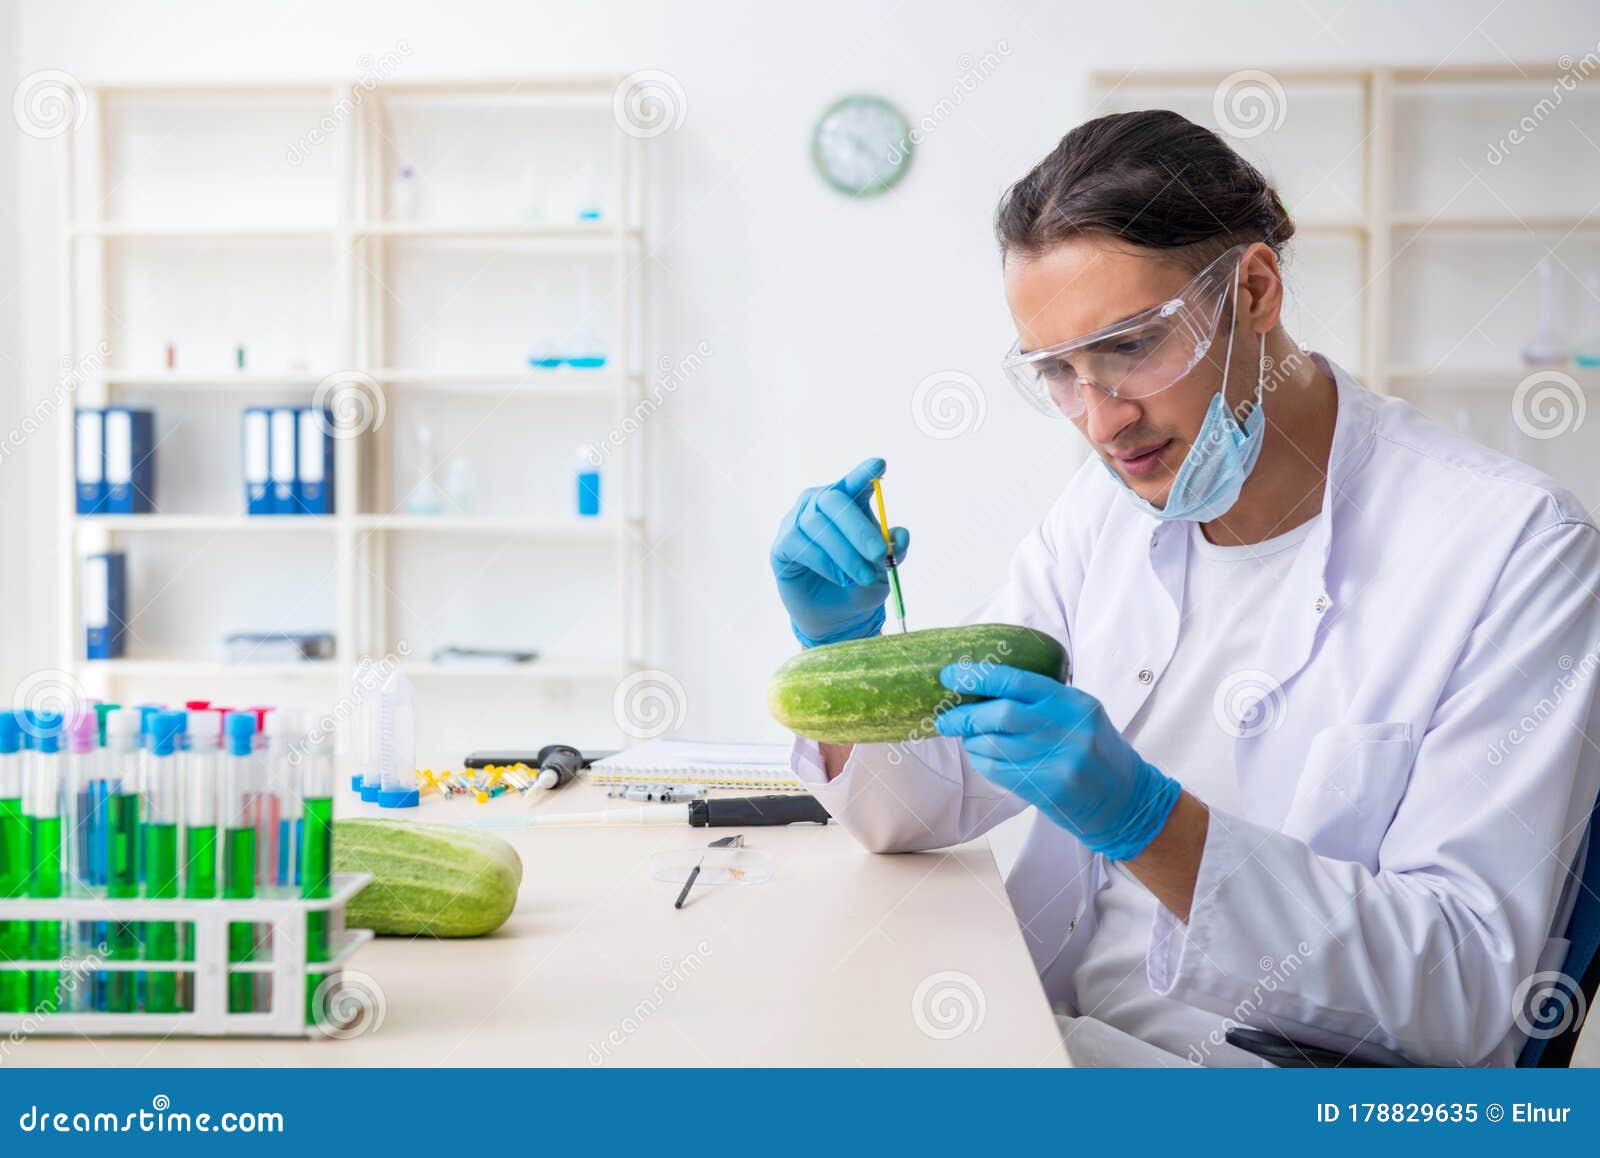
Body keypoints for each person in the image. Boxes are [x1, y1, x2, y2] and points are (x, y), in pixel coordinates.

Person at [769, 110, 1600, 1066]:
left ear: (1253, 290)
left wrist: (1150, 825)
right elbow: (925, 808)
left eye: (1128, 347)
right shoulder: (1102, 511)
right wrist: (844, 654)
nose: (1100, 419)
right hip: (1061, 1037)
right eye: (1060, 373)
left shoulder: (1514, 551)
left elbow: (1469, 991)